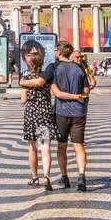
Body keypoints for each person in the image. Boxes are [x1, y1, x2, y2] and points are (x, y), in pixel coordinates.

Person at [50, 41, 91, 191]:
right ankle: (81, 176)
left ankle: (65, 177)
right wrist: (78, 95)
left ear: (60, 52)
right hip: (79, 112)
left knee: (62, 146)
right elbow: (86, 90)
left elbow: (56, 93)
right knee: (78, 145)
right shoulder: (79, 68)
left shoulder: (56, 68)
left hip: (61, 112)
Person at [18, 44, 56, 189]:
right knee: (45, 148)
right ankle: (47, 176)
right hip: (45, 112)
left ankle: (35, 177)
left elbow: (23, 100)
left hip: (31, 114)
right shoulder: (46, 75)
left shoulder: (24, 77)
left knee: (32, 148)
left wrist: (24, 86)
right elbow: (52, 93)